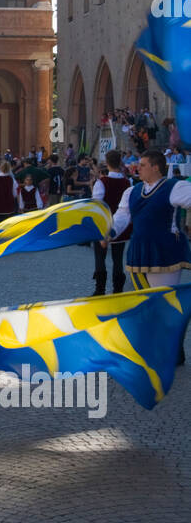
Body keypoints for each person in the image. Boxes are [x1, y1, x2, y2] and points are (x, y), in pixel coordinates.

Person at [104, 148, 191, 363]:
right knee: (145, 303)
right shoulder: (131, 191)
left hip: (164, 253)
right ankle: (152, 347)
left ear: (155, 167)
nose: (137, 168)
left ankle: (174, 351)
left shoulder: (175, 187)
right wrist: (109, 233)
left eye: (142, 165)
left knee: (166, 303)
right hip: (139, 251)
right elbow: (121, 216)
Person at [92, 149, 130, 295]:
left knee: (100, 257)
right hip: (122, 225)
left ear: (106, 163)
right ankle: (117, 289)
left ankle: (100, 289)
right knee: (118, 259)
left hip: (105, 223)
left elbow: (97, 205)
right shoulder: (127, 182)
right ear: (120, 162)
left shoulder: (101, 182)